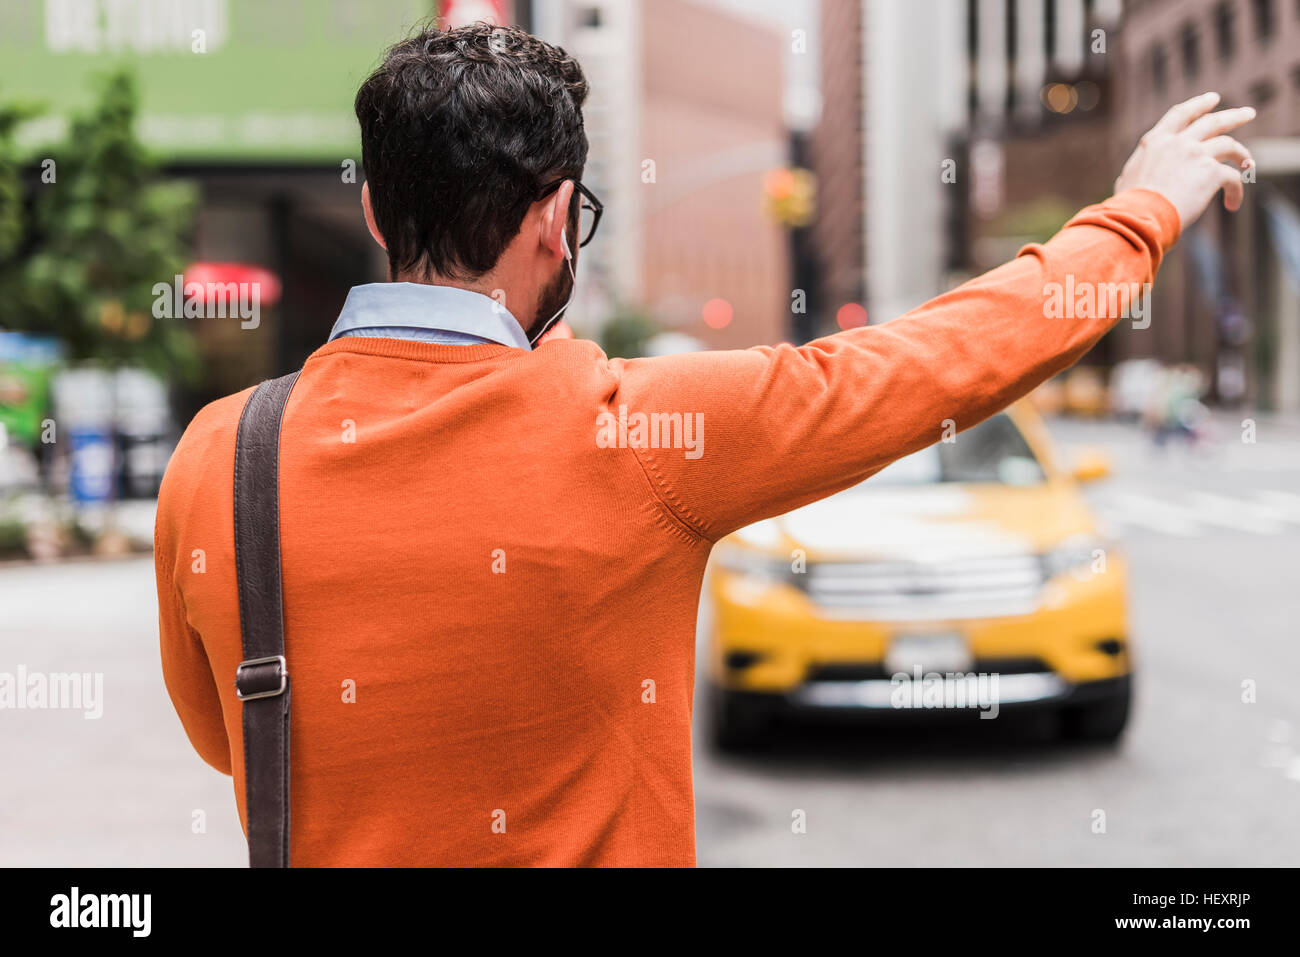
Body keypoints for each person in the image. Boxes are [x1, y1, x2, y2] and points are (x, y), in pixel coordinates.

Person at [155, 23, 1255, 866]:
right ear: (552, 220)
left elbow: (229, 738)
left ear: (381, 221)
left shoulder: (222, 455)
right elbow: (935, 365)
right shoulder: (638, 437)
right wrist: (1137, 214)